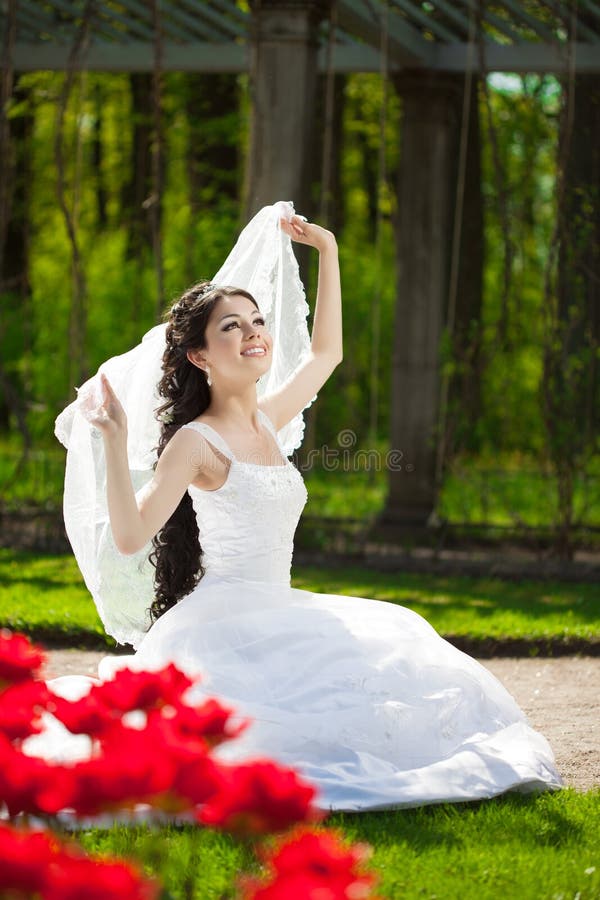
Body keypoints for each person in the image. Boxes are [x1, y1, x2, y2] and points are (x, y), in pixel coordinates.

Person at [41, 203, 562, 813]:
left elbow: (326, 355)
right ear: (200, 356)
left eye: (257, 321)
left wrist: (329, 251)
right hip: (226, 624)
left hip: (281, 607)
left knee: (405, 656)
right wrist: (113, 438)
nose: (254, 333)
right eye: (231, 327)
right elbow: (131, 537)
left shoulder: (267, 420)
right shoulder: (195, 442)